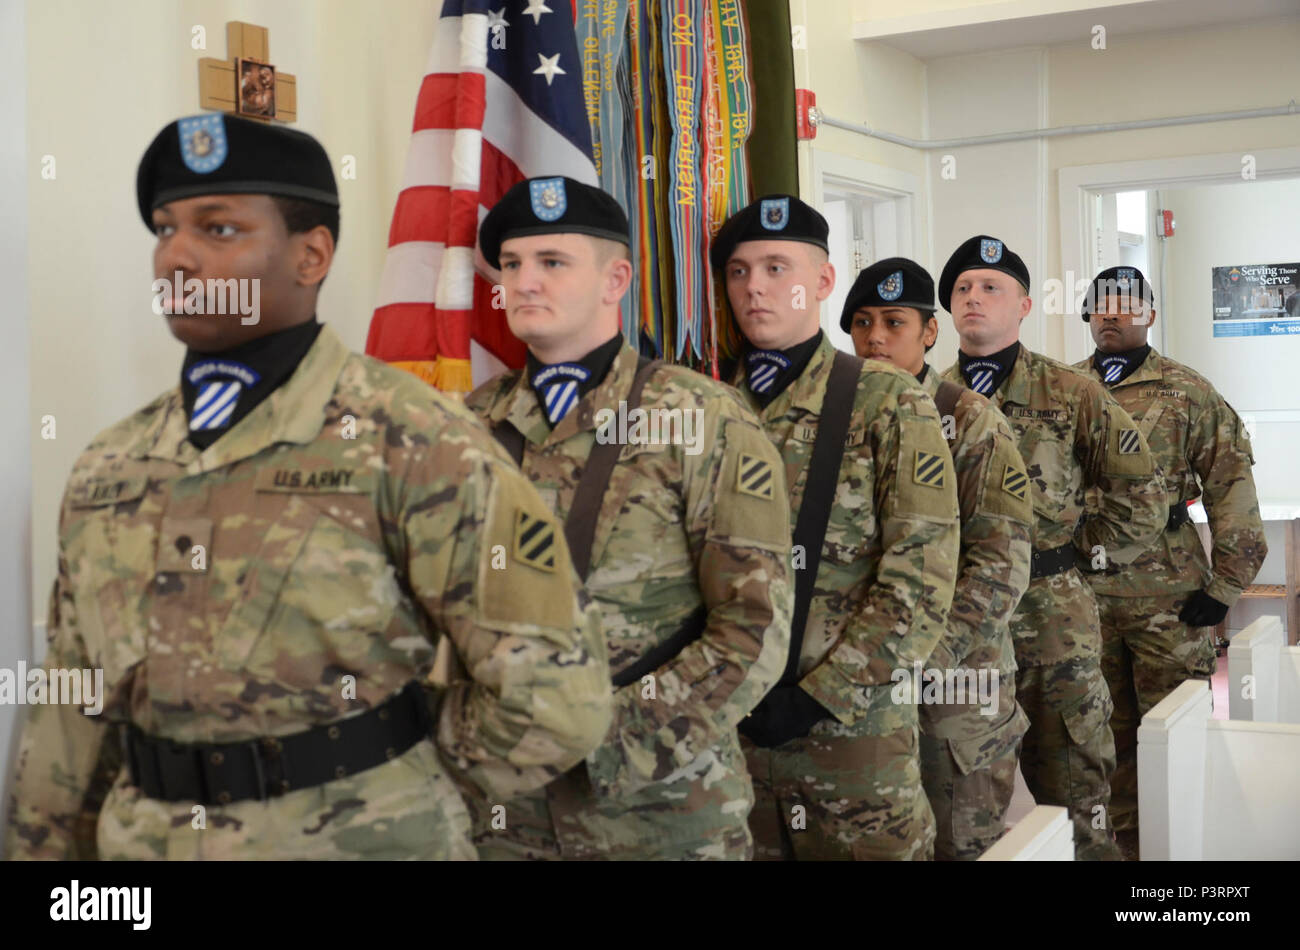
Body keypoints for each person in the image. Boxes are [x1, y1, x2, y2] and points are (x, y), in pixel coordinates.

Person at [3, 115, 612, 861]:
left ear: (311, 254)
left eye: (219, 229)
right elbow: (71, 705)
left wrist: (395, 777)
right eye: (166, 229)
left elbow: (556, 695)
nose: (177, 257)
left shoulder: (416, 442)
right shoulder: (112, 464)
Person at [463, 176, 794, 860]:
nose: (525, 282)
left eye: (552, 263)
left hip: (661, 809)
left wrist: (602, 737)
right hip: (503, 813)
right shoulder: (466, 425)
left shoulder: (700, 418)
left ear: (616, 279)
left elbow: (754, 625)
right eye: (513, 264)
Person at [714, 195, 961, 860]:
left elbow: (921, 576)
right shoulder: (706, 407)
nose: (755, 288)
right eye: (739, 272)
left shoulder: (886, 399)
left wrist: (821, 697)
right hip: (726, 743)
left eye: (776, 268)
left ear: (821, 282)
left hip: (854, 746)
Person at [938, 235, 1166, 860]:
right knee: (967, 808)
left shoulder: (1071, 391)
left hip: (1052, 624)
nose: (974, 298)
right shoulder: (926, 399)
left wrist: (1075, 555)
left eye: (991, 287)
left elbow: (1141, 494)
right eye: (962, 288)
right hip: (964, 629)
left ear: (1024, 306)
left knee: (1078, 800)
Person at [1073, 265, 1267, 858]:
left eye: (1127, 303)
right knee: (1096, 739)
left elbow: (1231, 487)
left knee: (1174, 731)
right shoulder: (1062, 390)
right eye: (1100, 303)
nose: (1112, 313)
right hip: (1082, 595)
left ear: (1150, 315)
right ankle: (1121, 850)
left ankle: (1180, 854)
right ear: (1086, 314)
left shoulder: (1189, 392)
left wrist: (1228, 583)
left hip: (1171, 598)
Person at [844, 256, 1032, 860]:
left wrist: (919, 661)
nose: (875, 337)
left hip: (952, 687)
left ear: (929, 332)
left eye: (894, 322)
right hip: (866, 683)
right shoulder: (836, 419)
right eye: (862, 322)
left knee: (961, 845)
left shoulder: (969, 419)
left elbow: (1000, 565)